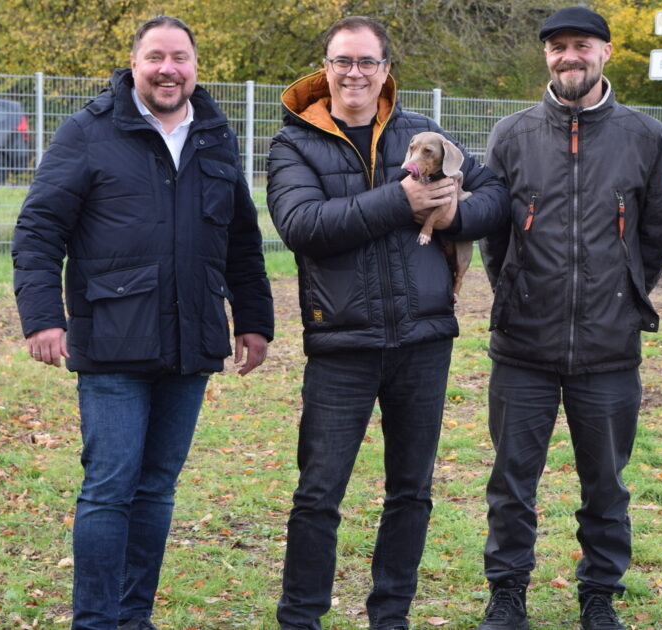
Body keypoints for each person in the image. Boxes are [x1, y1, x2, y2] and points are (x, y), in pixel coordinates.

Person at [11, 15, 274, 630]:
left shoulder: (214, 135)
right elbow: (39, 229)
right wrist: (43, 318)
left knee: (156, 489)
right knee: (110, 487)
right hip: (110, 342)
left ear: (195, 67)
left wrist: (254, 320)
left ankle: (134, 619)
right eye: (155, 56)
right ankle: (96, 622)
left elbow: (241, 238)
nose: (168, 69)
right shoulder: (88, 133)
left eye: (180, 57)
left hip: (192, 342)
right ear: (134, 63)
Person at [265, 15, 508, 630]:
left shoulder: (420, 131)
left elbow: (496, 197)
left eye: (367, 62)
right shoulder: (295, 143)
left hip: (423, 341)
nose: (354, 73)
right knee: (318, 493)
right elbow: (304, 226)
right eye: (342, 61)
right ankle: (301, 618)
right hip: (341, 343)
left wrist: (451, 217)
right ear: (326, 68)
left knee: (411, 491)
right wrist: (400, 201)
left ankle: (390, 616)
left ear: (384, 71)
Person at [476, 6, 662, 629]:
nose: (570, 56)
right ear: (546, 56)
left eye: (582, 46)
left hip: (608, 351)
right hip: (523, 350)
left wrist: (619, 294)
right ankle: (507, 593)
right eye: (558, 47)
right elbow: (493, 236)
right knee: (511, 485)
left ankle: (599, 595)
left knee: (606, 486)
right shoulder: (510, 135)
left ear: (606, 53)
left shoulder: (644, 136)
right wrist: (520, 294)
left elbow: (657, 233)